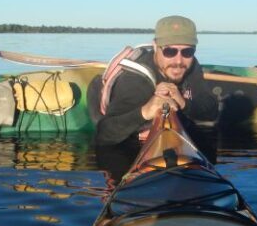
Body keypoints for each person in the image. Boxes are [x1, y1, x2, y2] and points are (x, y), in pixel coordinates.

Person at [92, 15, 219, 146]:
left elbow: (212, 111)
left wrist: (183, 103)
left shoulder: (190, 64)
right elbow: (103, 134)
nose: (179, 61)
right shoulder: (135, 81)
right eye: (170, 51)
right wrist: (145, 111)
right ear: (155, 46)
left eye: (188, 51)